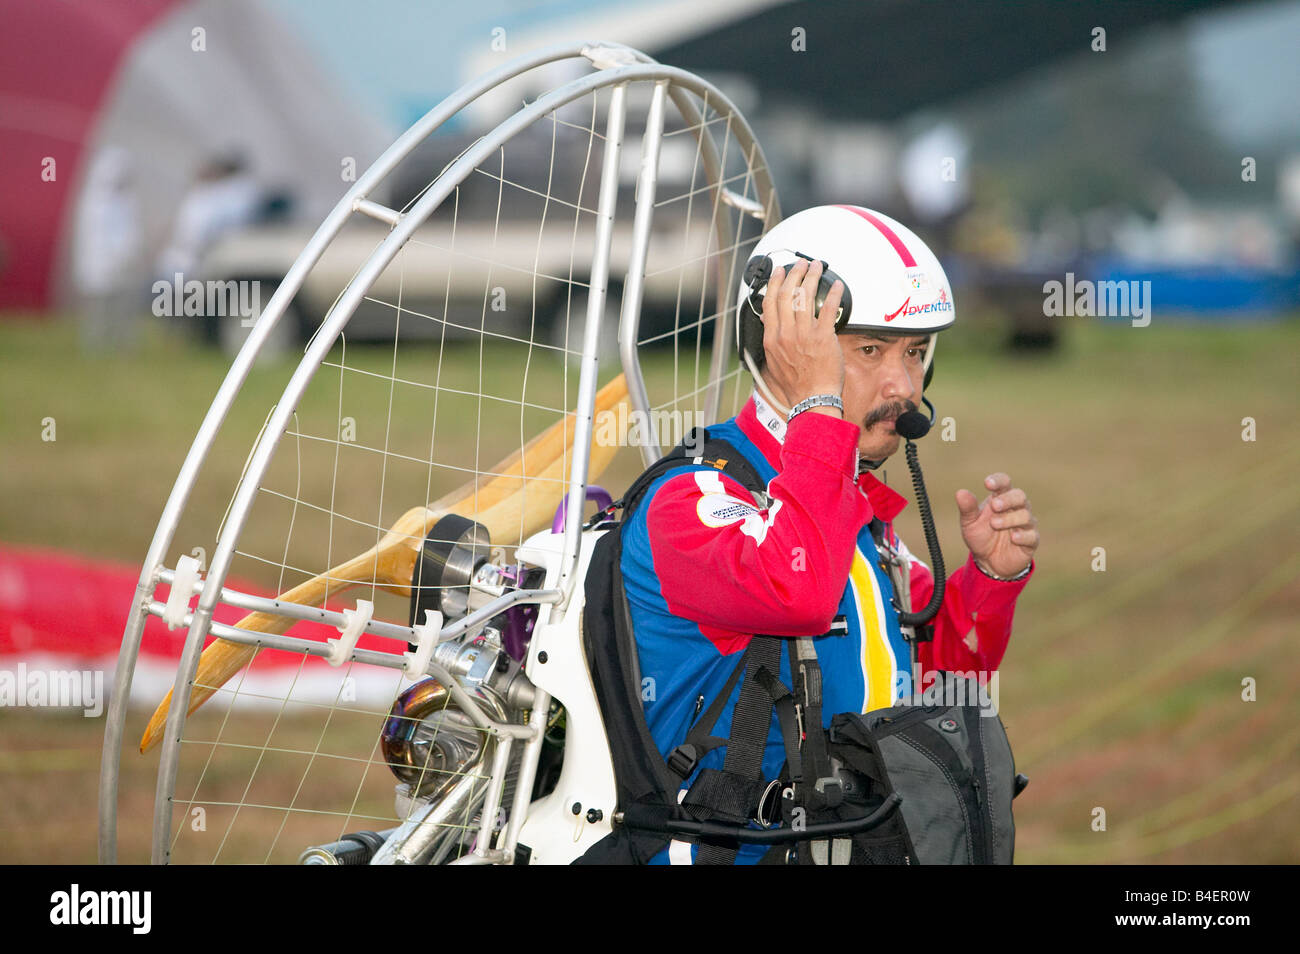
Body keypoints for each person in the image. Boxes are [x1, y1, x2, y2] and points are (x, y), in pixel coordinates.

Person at [618, 204, 1039, 865]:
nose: (902, 386)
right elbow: (799, 593)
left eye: (917, 353)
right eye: (870, 351)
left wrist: (992, 580)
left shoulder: (855, 510)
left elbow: (944, 691)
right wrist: (817, 405)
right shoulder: (690, 501)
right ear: (784, 345)